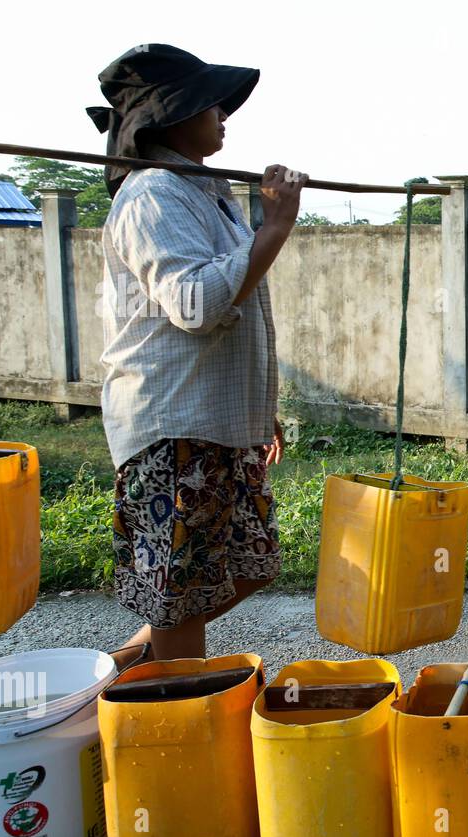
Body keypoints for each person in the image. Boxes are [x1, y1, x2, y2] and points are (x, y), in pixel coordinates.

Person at [88, 44, 307, 659]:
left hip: (216, 422)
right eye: (210, 104)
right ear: (173, 117)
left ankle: (144, 653)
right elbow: (196, 305)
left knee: (248, 564)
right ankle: (177, 718)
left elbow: (241, 296)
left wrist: (261, 413)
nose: (222, 115)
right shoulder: (154, 194)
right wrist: (275, 228)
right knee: (184, 592)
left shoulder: (201, 188)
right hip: (172, 423)